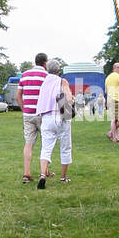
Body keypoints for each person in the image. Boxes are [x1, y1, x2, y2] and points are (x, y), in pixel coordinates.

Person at [17, 52, 70, 189]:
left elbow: (19, 95)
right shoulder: (52, 78)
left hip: (36, 114)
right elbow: (63, 97)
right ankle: (59, 176)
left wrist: (24, 109)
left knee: (37, 145)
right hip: (53, 114)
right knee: (58, 145)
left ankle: (34, 173)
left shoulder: (28, 76)